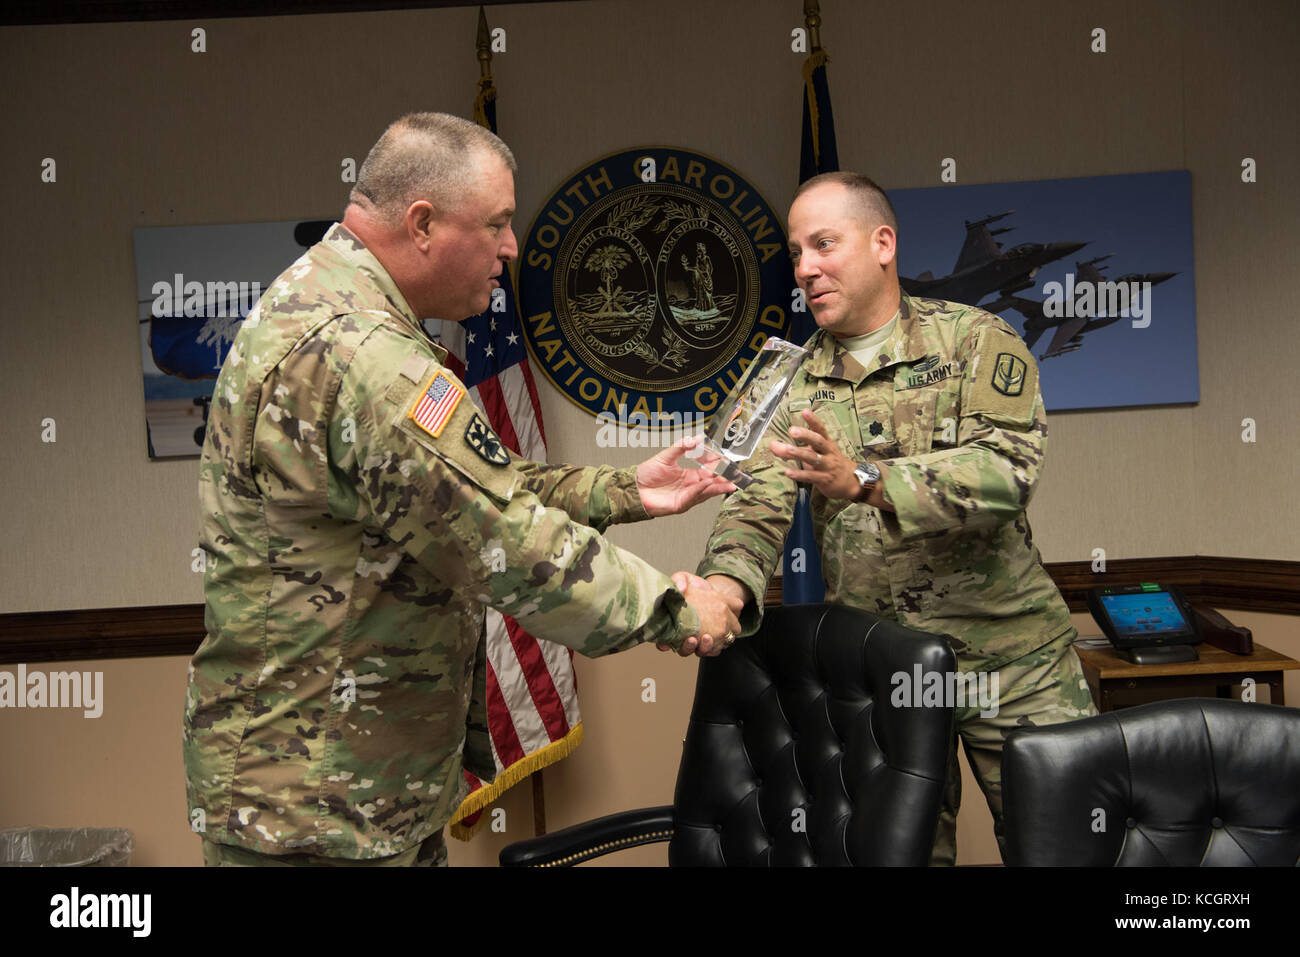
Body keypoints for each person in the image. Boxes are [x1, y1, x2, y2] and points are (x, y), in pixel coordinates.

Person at [183, 112, 742, 866]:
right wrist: (679, 608)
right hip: (323, 809)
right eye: (499, 224)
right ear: (422, 223)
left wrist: (627, 490)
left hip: (338, 788)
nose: (511, 247)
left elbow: (476, 487)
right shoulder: (366, 357)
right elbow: (503, 540)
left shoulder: (325, 306)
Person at [695, 171, 1097, 865]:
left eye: (823, 243)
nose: (806, 268)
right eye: (796, 252)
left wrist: (867, 480)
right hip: (881, 669)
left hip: (1013, 660)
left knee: (1067, 850)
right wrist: (724, 588)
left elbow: (1007, 473)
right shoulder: (777, 380)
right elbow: (753, 503)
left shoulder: (975, 339)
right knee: (899, 858)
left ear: (883, 243)